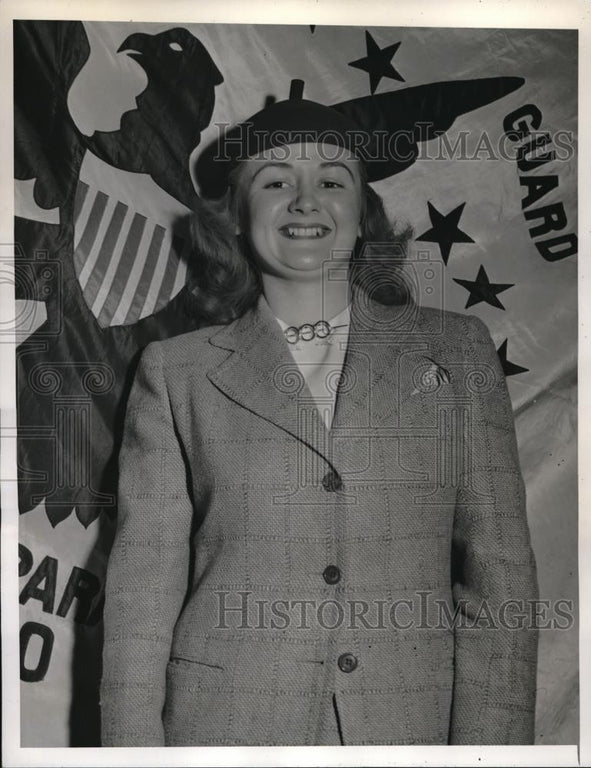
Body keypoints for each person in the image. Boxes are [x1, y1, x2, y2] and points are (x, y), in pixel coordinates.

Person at [101, 87, 539, 747]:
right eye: (275, 180)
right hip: (223, 730)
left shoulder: (456, 351)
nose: (305, 200)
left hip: (406, 729)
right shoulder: (175, 372)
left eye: (331, 179)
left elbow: (499, 578)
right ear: (238, 216)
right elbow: (141, 602)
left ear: (363, 213)